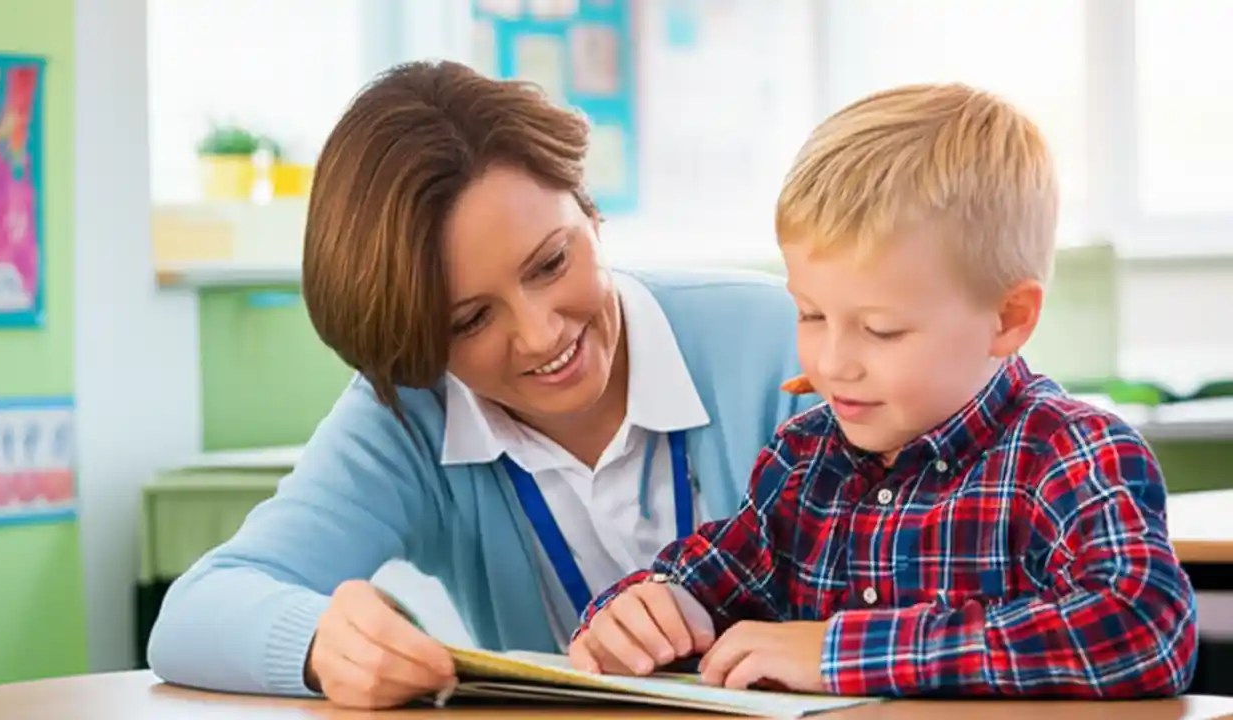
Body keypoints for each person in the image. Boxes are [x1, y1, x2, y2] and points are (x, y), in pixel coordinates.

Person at [146, 60, 817, 709]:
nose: (540, 334)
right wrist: (320, 644)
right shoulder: (411, 414)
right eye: (469, 320)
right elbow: (198, 610)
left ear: (590, 211)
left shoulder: (786, 340)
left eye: (552, 262)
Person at [568, 83, 1198, 698]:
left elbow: (1143, 629)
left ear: (1006, 319)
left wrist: (843, 652)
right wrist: (645, 609)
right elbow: (711, 578)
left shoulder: (1071, 453)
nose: (834, 362)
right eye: (811, 315)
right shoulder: (805, 458)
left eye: (880, 330)